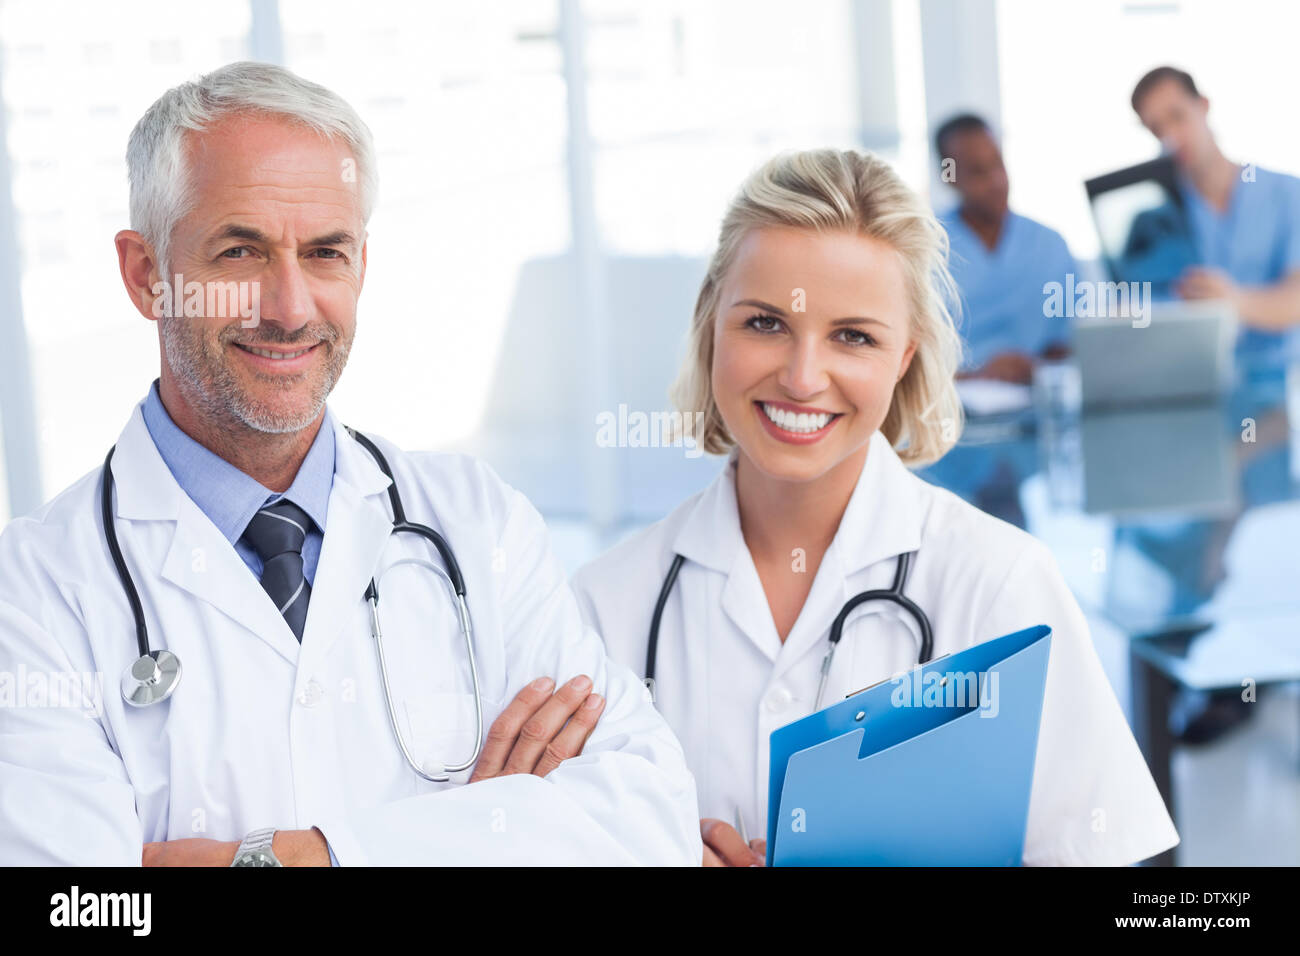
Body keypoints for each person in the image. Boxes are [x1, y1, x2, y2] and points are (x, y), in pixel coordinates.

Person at [0, 62, 700, 866]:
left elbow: (651, 820)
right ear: (146, 275)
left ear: (361, 265)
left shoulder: (478, 523)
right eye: (239, 252)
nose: (291, 307)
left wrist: (303, 857)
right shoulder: (33, 594)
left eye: (326, 252)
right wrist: (488, 830)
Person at [570, 148, 1179, 866]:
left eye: (852, 336)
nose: (801, 378)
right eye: (765, 323)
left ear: (905, 358)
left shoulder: (999, 584)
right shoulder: (603, 609)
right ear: (711, 329)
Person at [1131, 65, 1300, 361]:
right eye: (1157, 129)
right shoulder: (1155, 221)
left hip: (1283, 383)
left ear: (1203, 105)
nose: (1171, 138)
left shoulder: (1286, 193)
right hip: (1195, 386)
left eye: (1177, 117)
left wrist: (1233, 302)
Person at [933, 114, 1079, 384]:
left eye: (998, 164)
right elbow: (908, 363)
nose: (996, 182)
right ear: (949, 176)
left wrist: (1040, 367)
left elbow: (1075, 342)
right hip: (957, 407)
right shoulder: (926, 252)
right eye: (978, 172)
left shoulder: (1050, 245)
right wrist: (977, 376)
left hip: (1044, 397)